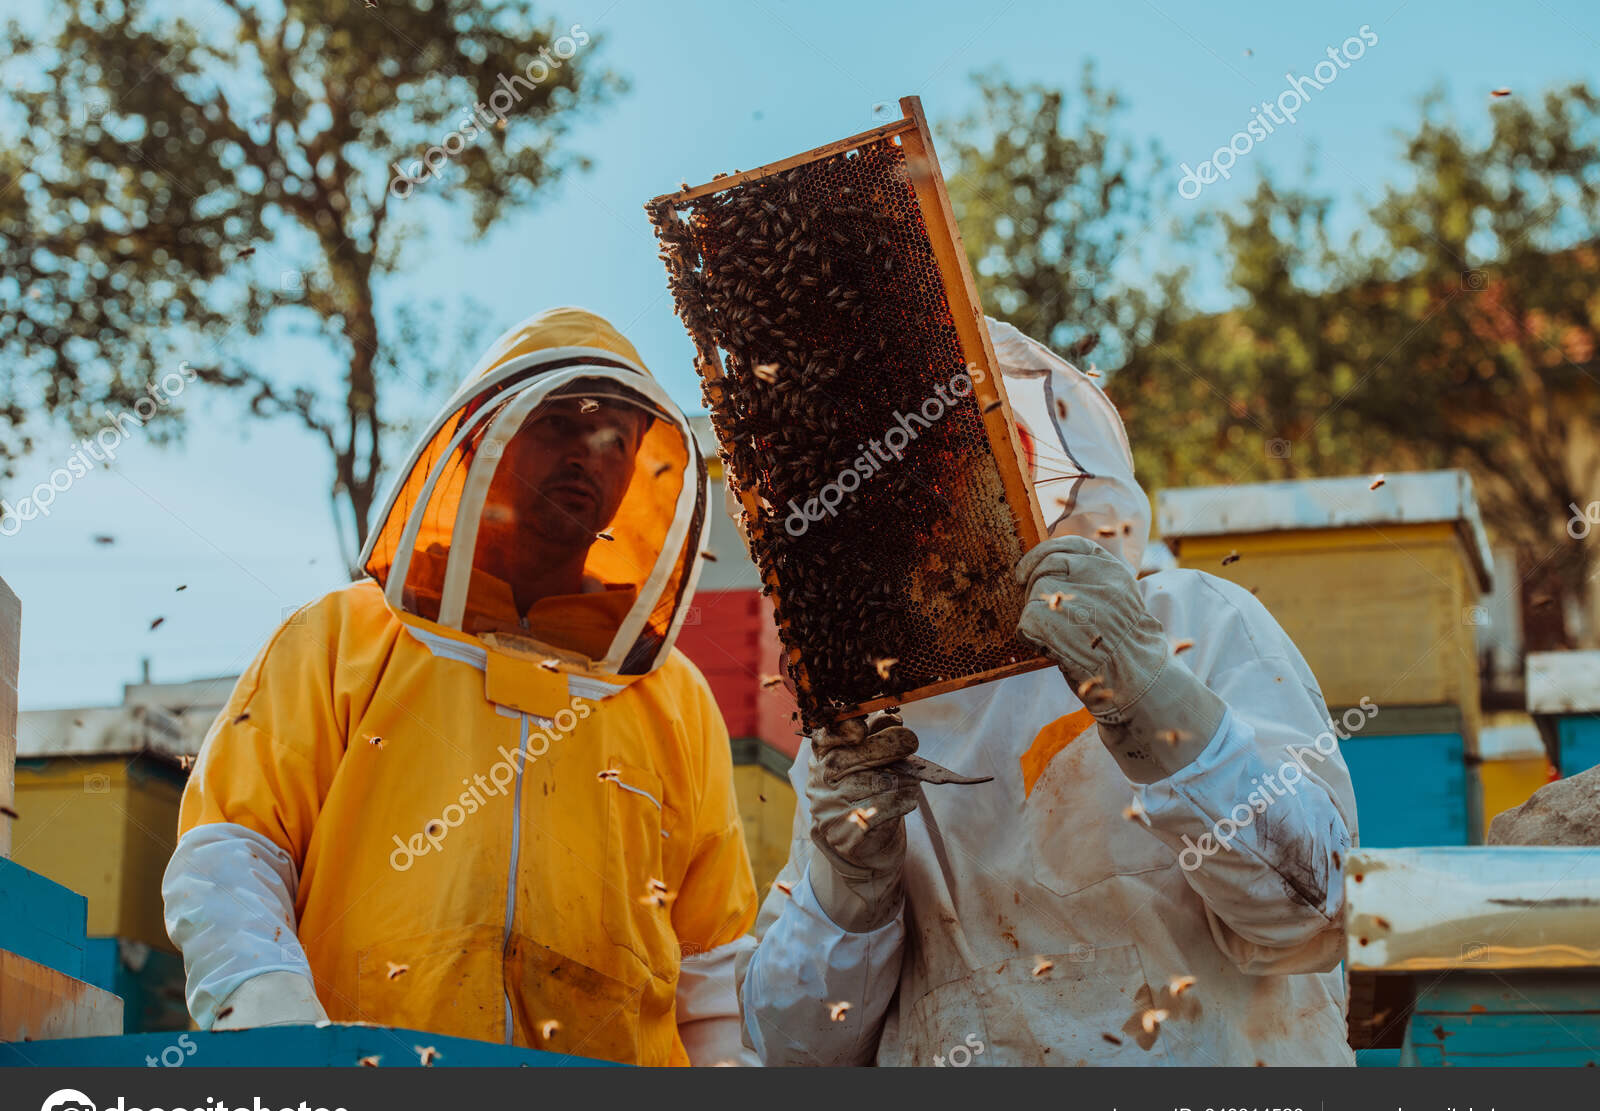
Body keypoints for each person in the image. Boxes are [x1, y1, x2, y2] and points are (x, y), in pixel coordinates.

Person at [739, 319, 1360, 1066]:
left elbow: (1318, 912)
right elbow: (792, 1049)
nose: (903, 502)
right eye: (869, 476)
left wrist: (1157, 702)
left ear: (1021, 454)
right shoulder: (857, 739)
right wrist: (849, 889)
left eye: (929, 462)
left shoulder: (1192, 619)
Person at [163, 307, 759, 1066]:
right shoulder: (342, 637)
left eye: (616, 437)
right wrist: (283, 1034)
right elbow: (234, 853)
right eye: (557, 424)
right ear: (483, 434)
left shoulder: (673, 697)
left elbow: (712, 970)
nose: (588, 453)